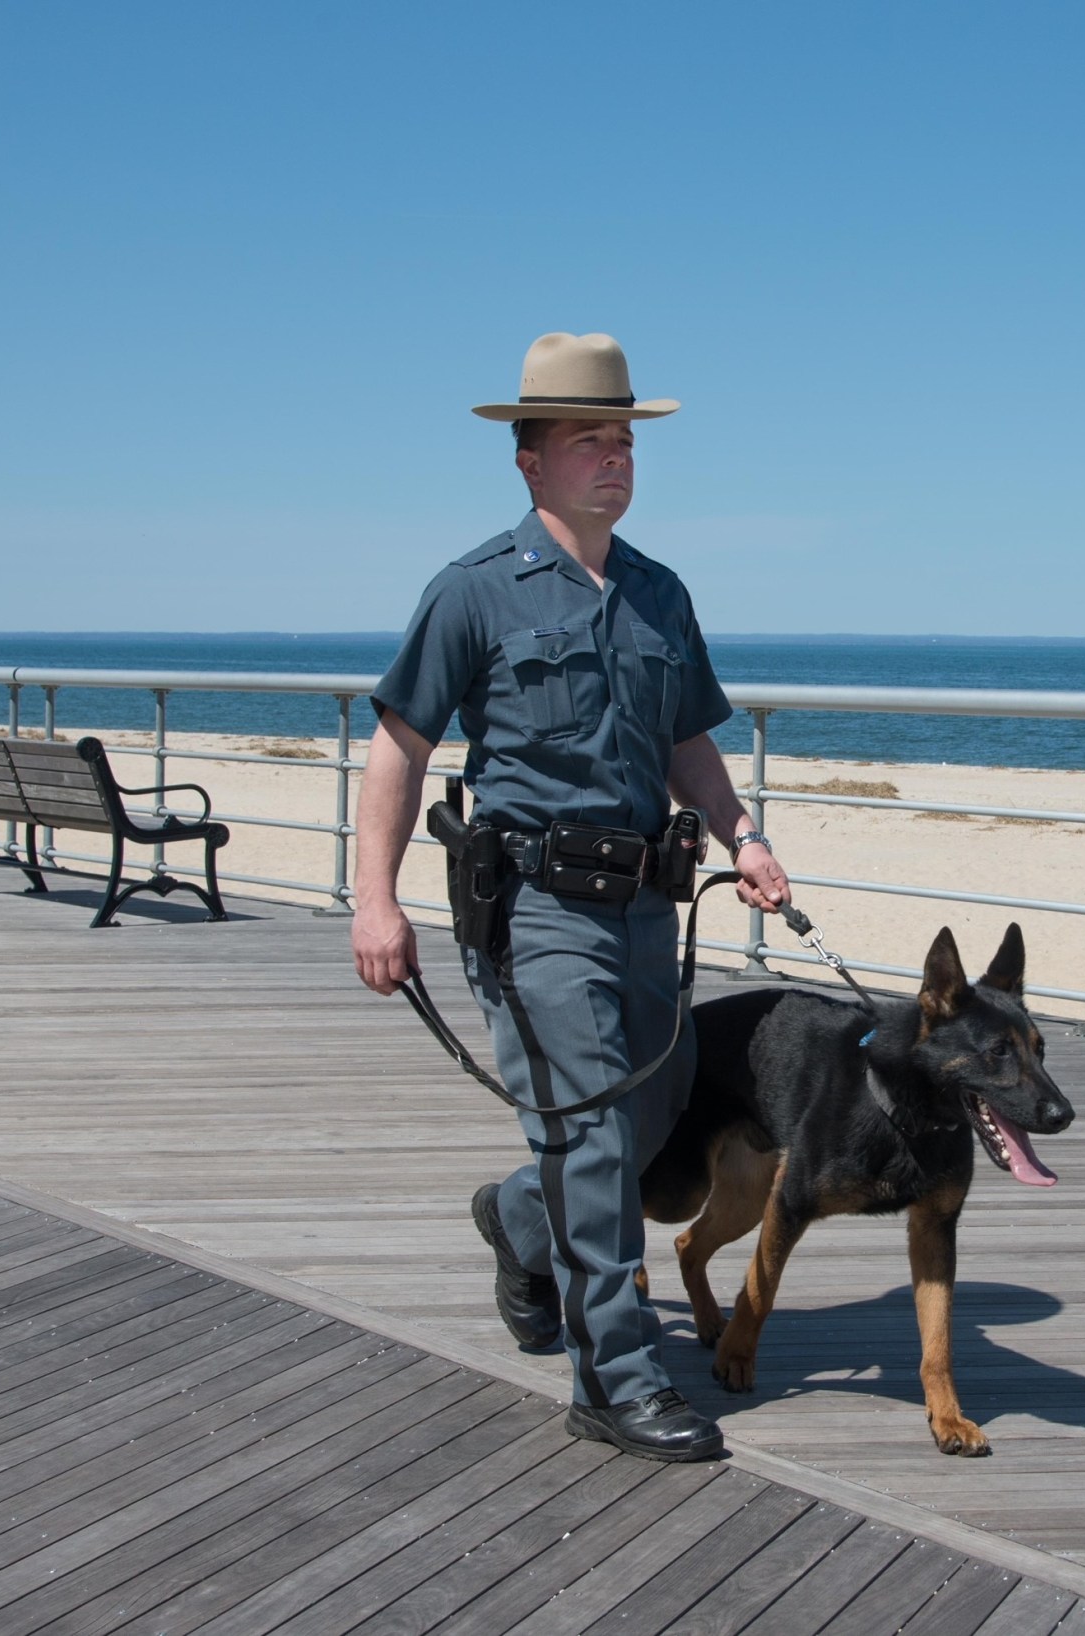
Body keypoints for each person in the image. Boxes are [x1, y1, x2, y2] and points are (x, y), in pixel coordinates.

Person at [350, 332, 790, 1462]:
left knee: (648, 1118)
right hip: (537, 909)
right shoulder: (473, 592)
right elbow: (398, 746)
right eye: (589, 439)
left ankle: (517, 1216)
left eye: (625, 438)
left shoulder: (659, 593)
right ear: (529, 460)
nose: (614, 457)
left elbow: (686, 736)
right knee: (592, 1128)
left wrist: (743, 833)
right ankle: (617, 1375)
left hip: (648, 904)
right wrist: (374, 900)